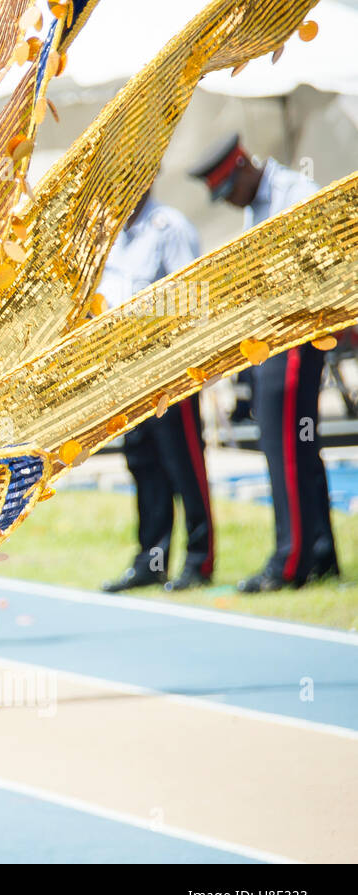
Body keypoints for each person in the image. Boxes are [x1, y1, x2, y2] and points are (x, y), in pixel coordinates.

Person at [189, 134, 339, 591]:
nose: (230, 203)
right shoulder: (256, 207)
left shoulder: (295, 193)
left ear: (242, 167)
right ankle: (319, 553)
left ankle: (288, 563)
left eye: (228, 190)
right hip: (268, 343)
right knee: (300, 450)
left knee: (284, 452)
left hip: (294, 339)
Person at [97, 187, 214, 592]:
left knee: (184, 466)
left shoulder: (169, 226)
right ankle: (152, 559)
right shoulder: (113, 233)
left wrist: (142, 321)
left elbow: (194, 296)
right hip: (129, 372)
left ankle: (200, 560)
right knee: (143, 463)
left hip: (169, 369)